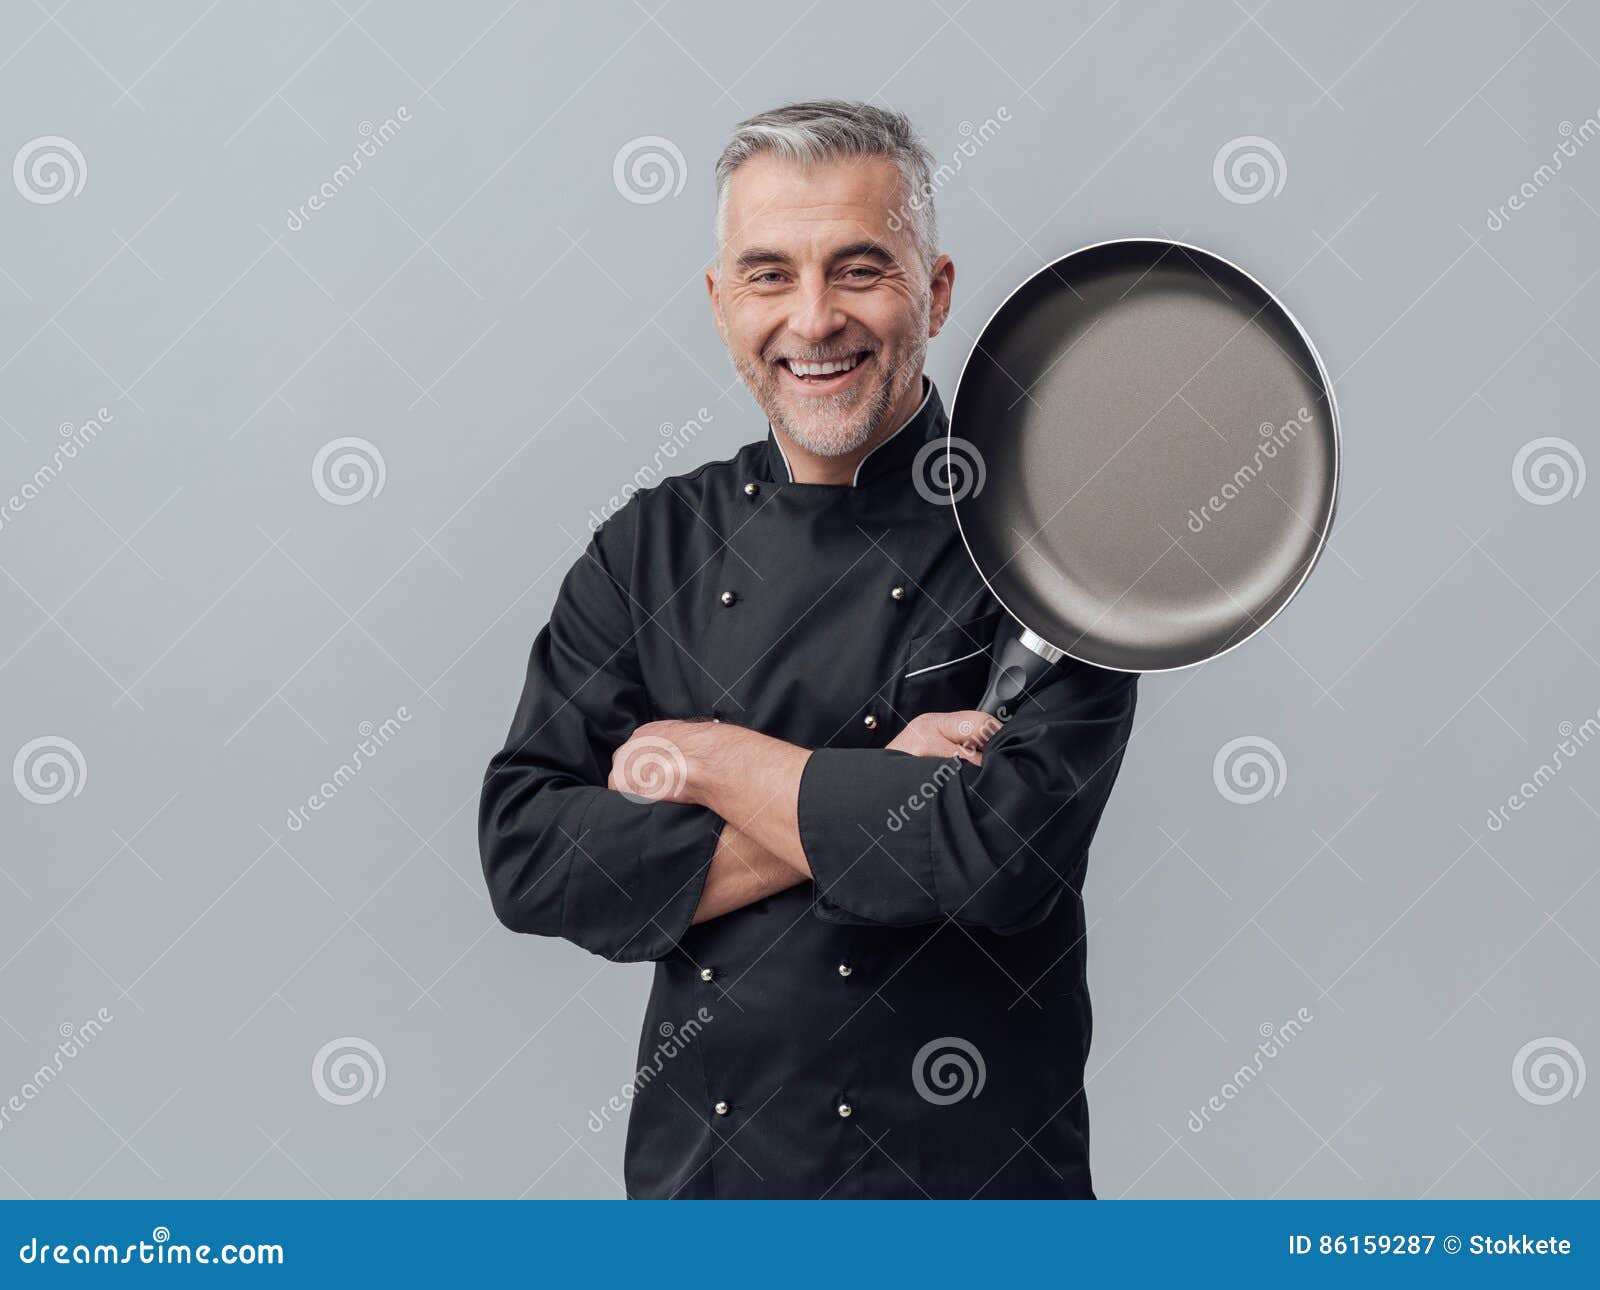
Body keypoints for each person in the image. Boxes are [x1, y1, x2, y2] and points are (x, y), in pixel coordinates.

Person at [479, 100, 1138, 1198]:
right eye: (769, 275)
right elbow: (531, 856)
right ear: (720, 302)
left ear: (935, 291)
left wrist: (705, 760)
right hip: (706, 1199)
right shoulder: (650, 548)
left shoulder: (1051, 543)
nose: (814, 318)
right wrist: (884, 791)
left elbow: (996, 858)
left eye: (860, 270)